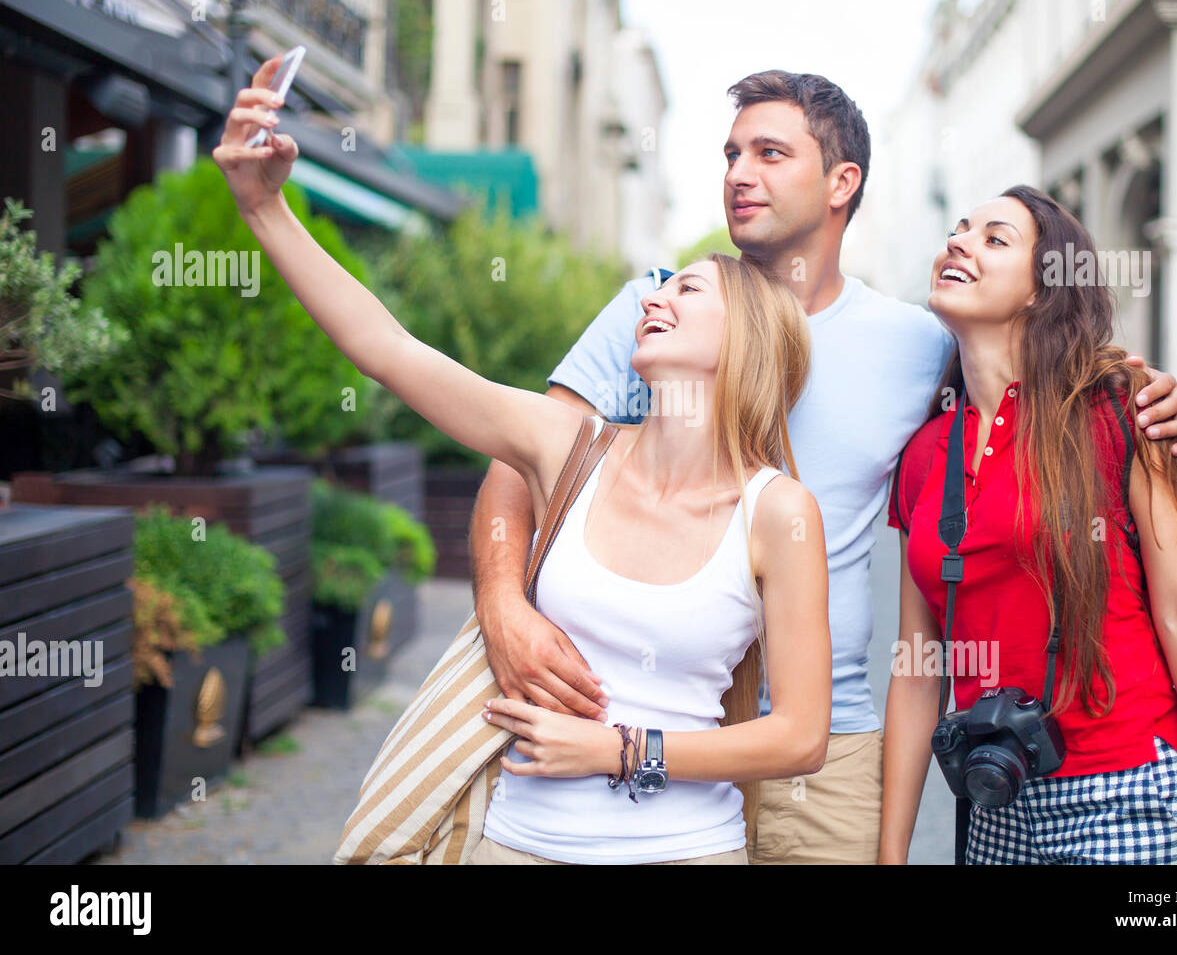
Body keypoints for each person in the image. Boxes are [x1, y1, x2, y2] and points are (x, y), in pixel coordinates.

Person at [468, 70, 1177, 864]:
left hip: (826, 748)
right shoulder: (656, 310)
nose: (740, 174)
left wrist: (1139, 383)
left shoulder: (918, 344)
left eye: (770, 153)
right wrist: (503, 603)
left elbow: (1033, 363)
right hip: (642, 719)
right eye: (732, 154)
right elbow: (521, 467)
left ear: (843, 181)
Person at [214, 56, 832, 865]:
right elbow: (390, 351)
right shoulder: (566, 443)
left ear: (745, 336)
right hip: (516, 845)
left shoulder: (778, 511)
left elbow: (800, 737)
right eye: (659, 289)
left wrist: (620, 750)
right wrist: (265, 211)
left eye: (685, 293)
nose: (652, 300)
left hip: (685, 850)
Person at [878, 186, 1177, 865]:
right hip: (998, 800)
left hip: (1130, 787)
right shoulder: (924, 455)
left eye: (994, 239)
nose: (959, 242)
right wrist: (890, 856)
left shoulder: (1118, 410)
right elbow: (919, 671)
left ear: (1044, 289)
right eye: (959, 230)